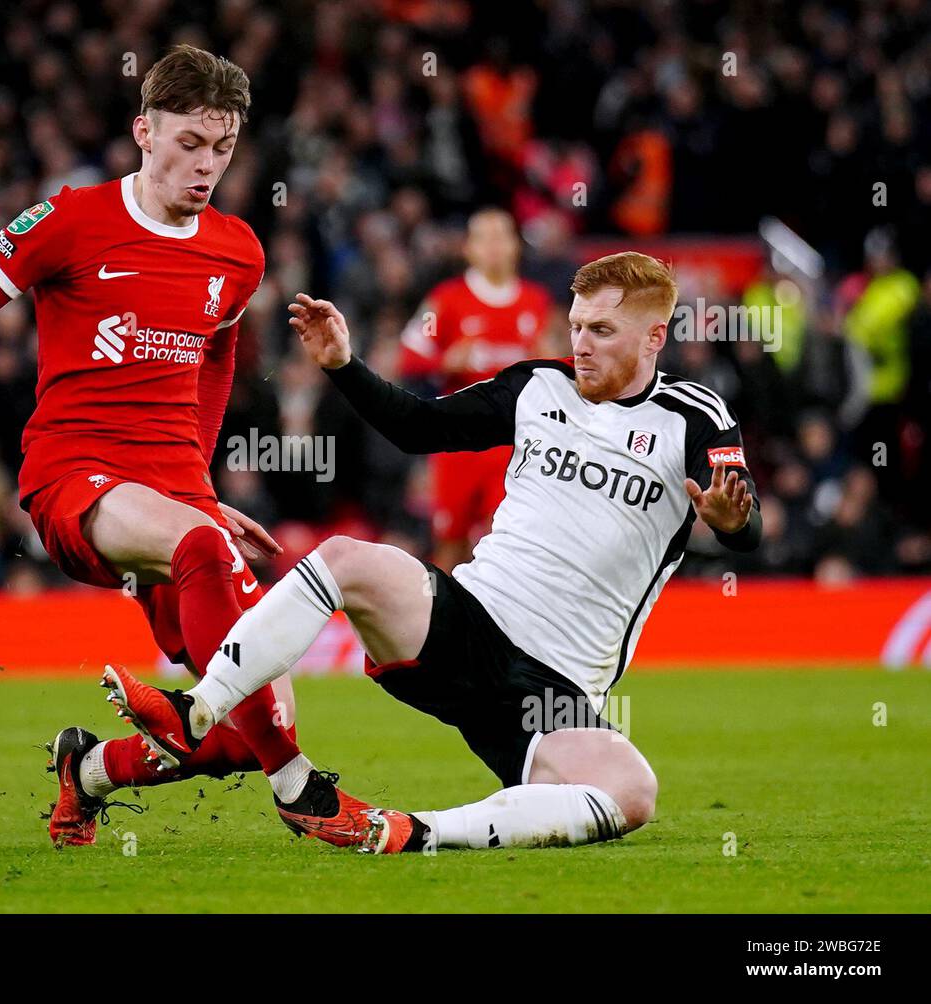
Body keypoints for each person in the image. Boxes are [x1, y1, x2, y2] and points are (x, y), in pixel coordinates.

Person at [103, 251, 762, 852]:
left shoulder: (695, 416)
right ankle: (200, 708)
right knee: (346, 558)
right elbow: (420, 428)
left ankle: (410, 833)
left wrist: (733, 522)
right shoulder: (538, 386)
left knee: (633, 792)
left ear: (654, 337)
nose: (580, 345)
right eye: (577, 326)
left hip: (551, 690)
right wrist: (343, 366)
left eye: (601, 332)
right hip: (463, 622)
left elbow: (745, 523)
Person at [0, 45, 375, 849]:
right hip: (73, 478)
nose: (206, 166)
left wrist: (198, 479)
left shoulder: (237, 251)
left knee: (248, 719)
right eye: (189, 144)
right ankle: (304, 792)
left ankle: (86, 771)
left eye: (221, 150)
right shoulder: (68, 221)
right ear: (143, 132)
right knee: (209, 577)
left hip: (170, 495)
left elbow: (219, 352)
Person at [399, 208, 551, 571]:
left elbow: (556, 361)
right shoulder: (447, 300)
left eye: (503, 236)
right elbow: (408, 356)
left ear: (516, 246)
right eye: (485, 237)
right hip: (458, 442)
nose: (495, 246)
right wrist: (445, 362)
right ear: (469, 248)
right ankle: (442, 620)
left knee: (504, 542)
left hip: (513, 443)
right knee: (449, 540)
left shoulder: (536, 301)